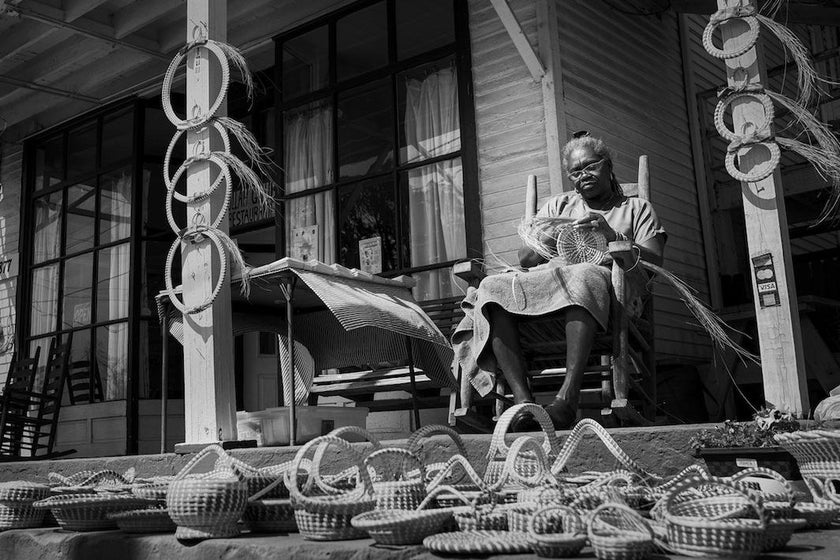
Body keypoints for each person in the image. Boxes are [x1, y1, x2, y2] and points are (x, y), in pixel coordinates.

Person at [451, 134, 667, 431]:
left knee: (583, 274)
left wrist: (613, 237)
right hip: (548, 292)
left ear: (608, 166)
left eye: (590, 166)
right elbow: (526, 258)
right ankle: (524, 404)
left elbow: (655, 260)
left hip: (610, 294)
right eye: (575, 172)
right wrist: (547, 236)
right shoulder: (559, 205)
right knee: (491, 288)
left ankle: (566, 401)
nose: (583, 175)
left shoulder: (636, 208)